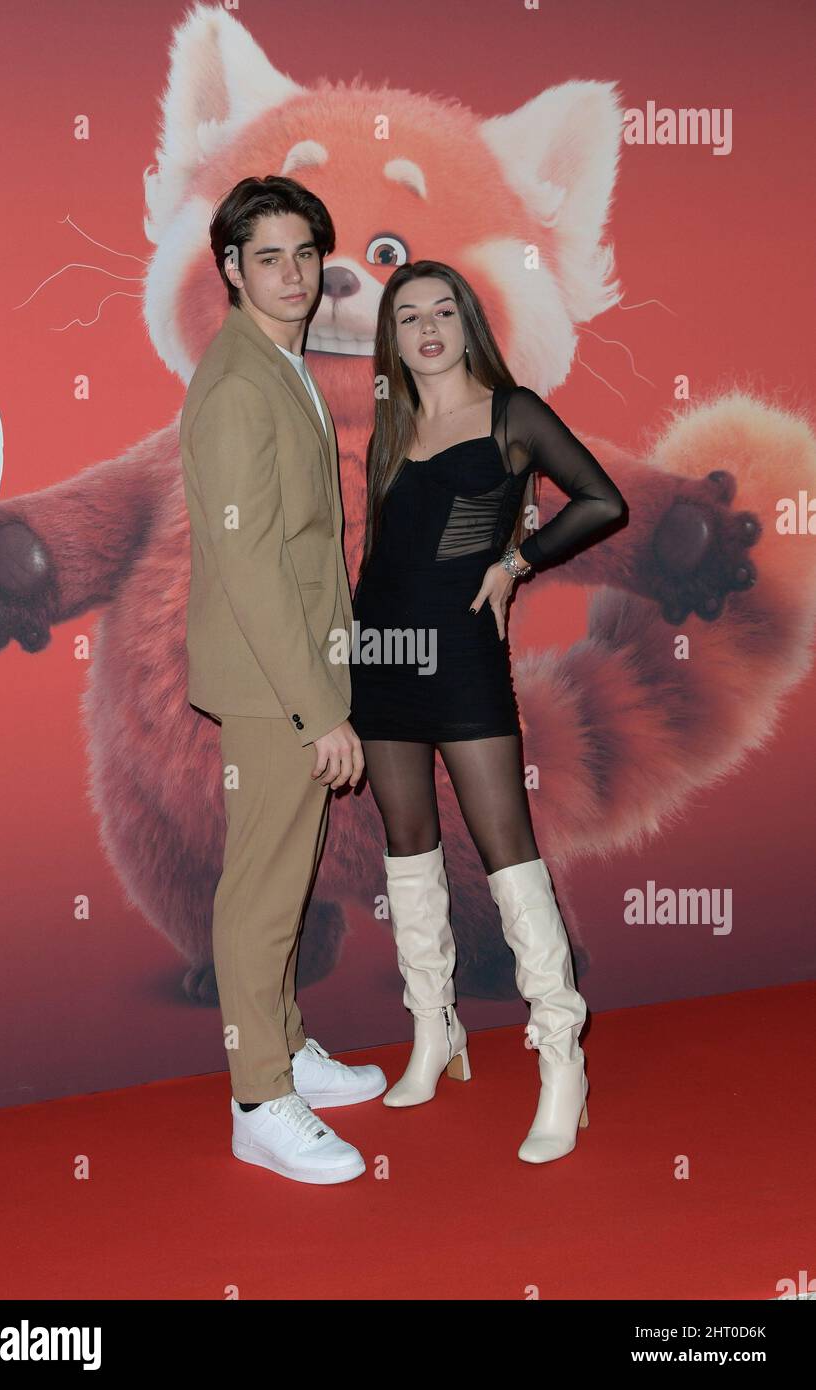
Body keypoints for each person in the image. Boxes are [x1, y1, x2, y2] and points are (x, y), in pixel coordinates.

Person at [350, 259, 627, 1163]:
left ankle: (560, 1058)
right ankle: (434, 1031)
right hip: (382, 654)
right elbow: (381, 559)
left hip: (464, 656)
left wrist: (517, 561)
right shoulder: (390, 428)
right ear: (391, 339)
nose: (426, 329)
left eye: (442, 312)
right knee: (406, 846)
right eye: (407, 318)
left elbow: (603, 501)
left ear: (468, 323)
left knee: (507, 849)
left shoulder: (515, 412)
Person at [179, 175, 385, 1187]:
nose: (294, 274)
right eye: (269, 257)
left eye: (307, 254)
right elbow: (250, 564)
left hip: (299, 666)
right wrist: (315, 708)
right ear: (230, 269)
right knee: (260, 891)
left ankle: (282, 1041)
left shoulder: (278, 360)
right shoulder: (234, 384)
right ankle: (258, 1098)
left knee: (284, 880)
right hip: (272, 682)